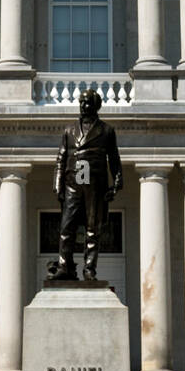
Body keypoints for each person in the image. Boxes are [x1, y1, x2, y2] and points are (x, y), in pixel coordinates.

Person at [50, 88, 123, 281]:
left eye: (88, 102)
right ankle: (64, 266)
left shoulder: (106, 130)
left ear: (96, 105)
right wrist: (58, 184)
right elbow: (61, 158)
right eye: (81, 102)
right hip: (72, 183)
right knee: (67, 226)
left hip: (95, 184)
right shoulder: (69, 130)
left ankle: (89, 269)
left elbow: (114, 159)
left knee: (93, 228)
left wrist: (116, 183)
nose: (83, 106)